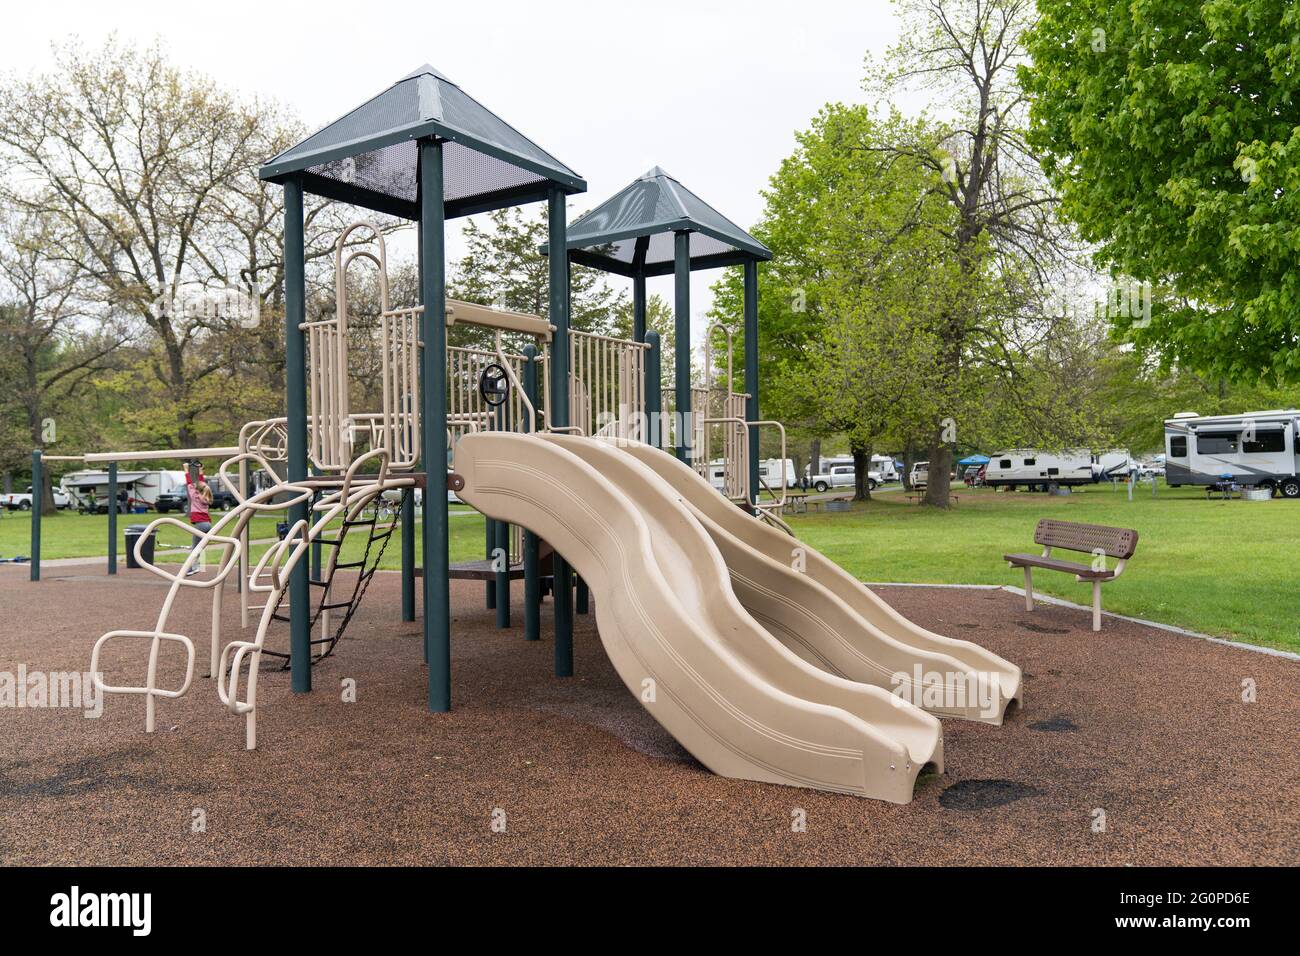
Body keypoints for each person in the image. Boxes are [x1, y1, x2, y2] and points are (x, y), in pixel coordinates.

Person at [184, 463, 214, 576]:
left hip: (200, 525)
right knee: (200, 546)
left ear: (197, 490)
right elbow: (202, 485)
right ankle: (201, 566)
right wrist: (200, 470)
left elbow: (189, 483)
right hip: (208, 525)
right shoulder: (207, 495)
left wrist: (186, 469)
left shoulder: (195, 496)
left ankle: (192, 568)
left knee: (195, 548)